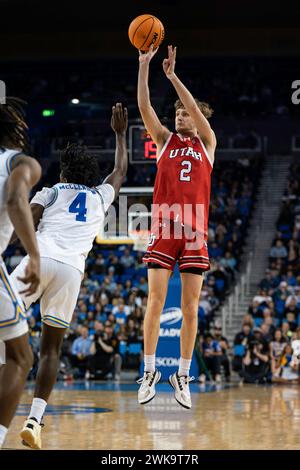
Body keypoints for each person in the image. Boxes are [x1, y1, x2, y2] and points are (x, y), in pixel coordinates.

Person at [10, 103, 128, 449]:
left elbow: (25, 222)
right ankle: (34, 420)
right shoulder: (98, 196)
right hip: (72, 272)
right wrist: (120, 134)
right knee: (51, 350)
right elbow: (119, 172)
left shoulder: (53, 191)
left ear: (64, 173)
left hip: (41, 257)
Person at [137, 45, 217, 409]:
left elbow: (198, 114)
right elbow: (145, 108)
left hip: (195, 232)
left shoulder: (208, 144)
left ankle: (182, 375)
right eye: (179, 112)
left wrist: (173, 78)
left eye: (187, 112)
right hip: (165, 228)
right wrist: (145, 67)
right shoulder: (165, 140)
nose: (181, 115)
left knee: (191, 307)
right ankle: (150, 371)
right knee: (154, 301)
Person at [0, 97, 41, 449]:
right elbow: (15, 199)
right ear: (20, 129)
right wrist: (34, 255)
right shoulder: (21, 162)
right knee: (21, 356)